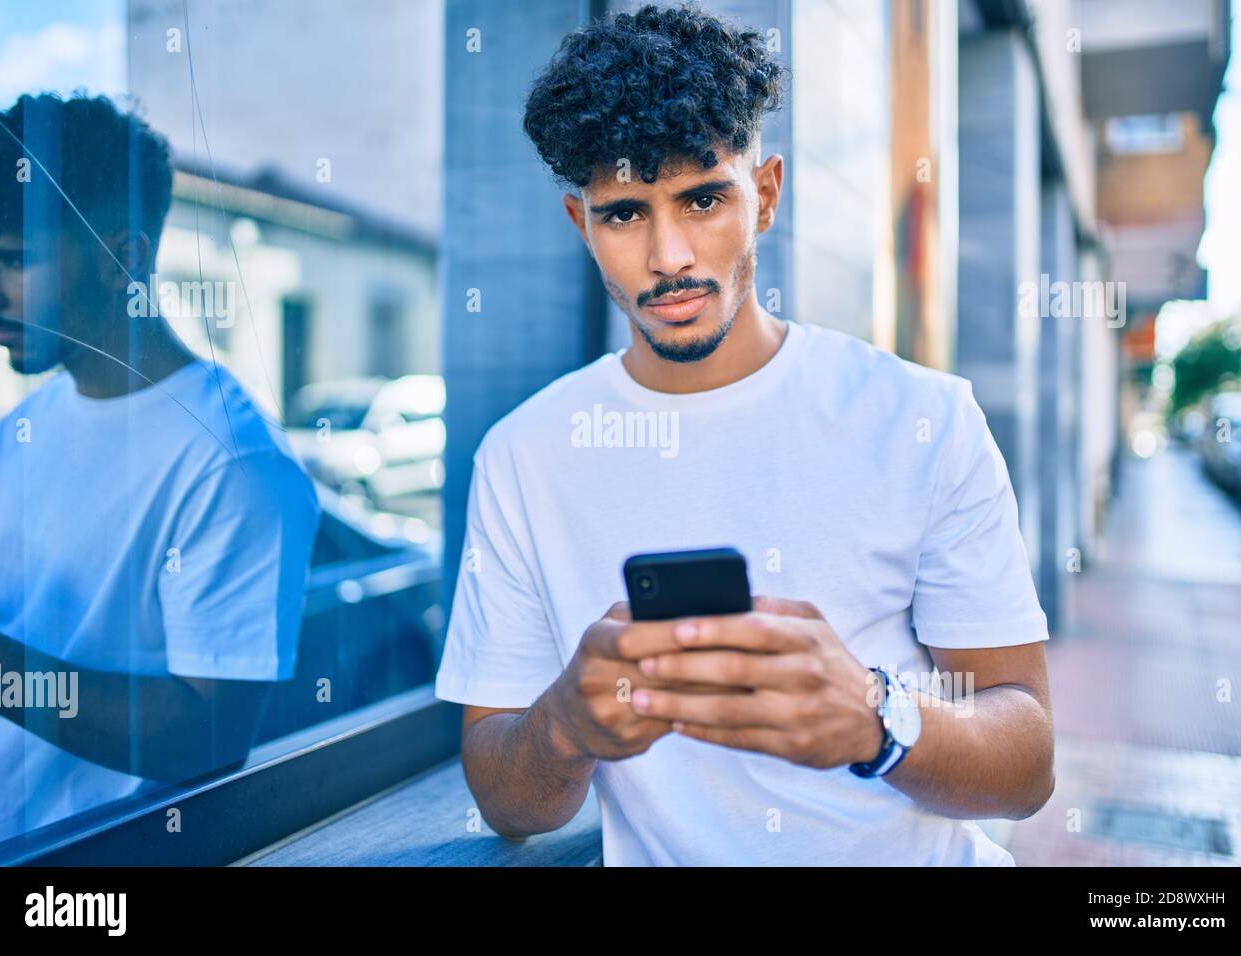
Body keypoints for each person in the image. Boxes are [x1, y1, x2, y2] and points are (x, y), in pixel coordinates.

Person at [434, 3, 1054, 866]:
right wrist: (565, 724)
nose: (669, 255)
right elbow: (505, 801)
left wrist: (878, 720)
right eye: (624, 214)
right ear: (582, 223)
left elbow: (1026, 765)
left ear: (764, 195)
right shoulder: (523, 455)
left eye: (702, 199)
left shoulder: (922, 419)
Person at [0, 92, 319, 852]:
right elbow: (7, 610)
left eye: (12, 259)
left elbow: (205, 736)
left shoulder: (233, 461)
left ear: (123, 256)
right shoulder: (23, 430)